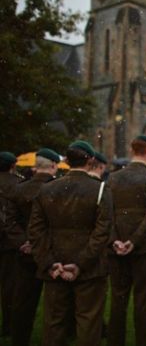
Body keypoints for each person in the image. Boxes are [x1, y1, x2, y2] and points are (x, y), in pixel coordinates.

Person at [28, 141, 111, 345]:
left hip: (60, 264)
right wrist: (79, 262)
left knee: (55, 323)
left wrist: (50, 262)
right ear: (91, 160)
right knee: (88, 322)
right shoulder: (98, 189)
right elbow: (102, 232)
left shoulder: (47, 189)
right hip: (86, 267)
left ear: (65, 160)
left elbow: (35, 231)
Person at [106, 135, 146, 346]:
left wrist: (116, 239)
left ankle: (115, 341)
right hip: (144, 248)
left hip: (119, 245)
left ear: (132, 151)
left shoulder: (113, 178)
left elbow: (107, 213)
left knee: (118, 300)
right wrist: (134, 240)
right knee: (144, 301)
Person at [5, 148, 59, 345]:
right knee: (55, 304)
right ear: (53, 166)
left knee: (23, 301)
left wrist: (24, 242)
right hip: (52, 253)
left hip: (26, 252)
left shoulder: (20, 188)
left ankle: (20, 338)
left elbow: (9, 221)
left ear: (36, 166)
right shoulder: (58, 188)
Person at [0, 151, 22, 337]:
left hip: (8, 240)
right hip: (9, 243)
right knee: (10, 287)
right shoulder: (17, 184)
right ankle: (8, 324)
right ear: (12, 165)